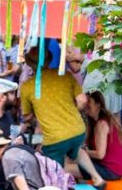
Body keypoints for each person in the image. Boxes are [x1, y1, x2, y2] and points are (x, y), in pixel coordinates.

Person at [20, 47, 102, 182]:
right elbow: (82, 100)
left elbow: (27, 116)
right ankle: (97, 178)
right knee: (77, 150)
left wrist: (38, 115)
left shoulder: (27, 87)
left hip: (54, 138)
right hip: (77, 129)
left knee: (55, 171)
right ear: (49, 60)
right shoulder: (65, 75)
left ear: (29, 64)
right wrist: (72, 111)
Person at [79, 91, 122, 181]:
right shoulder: (100, 121)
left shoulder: (102, 124)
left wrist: (81, 152)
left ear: (98, 104)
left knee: (67, 167)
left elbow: (100, 154)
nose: (86, 105)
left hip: (109, 171)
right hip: (115, 169)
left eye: (89, 102)